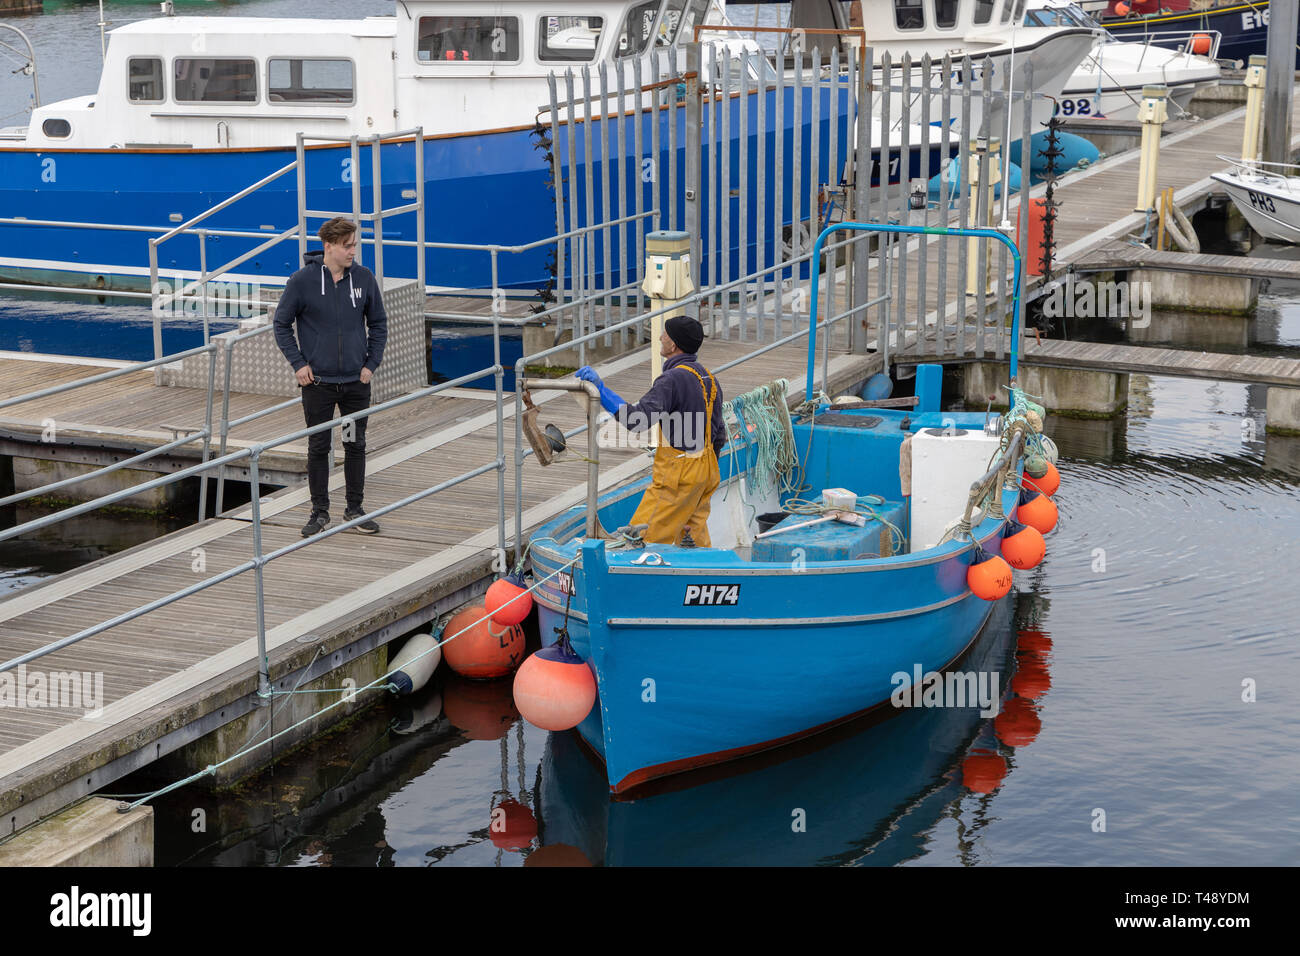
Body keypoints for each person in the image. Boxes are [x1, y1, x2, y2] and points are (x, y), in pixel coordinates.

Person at [273, 217, 387, 537]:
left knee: (353, 444)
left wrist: (370, 364)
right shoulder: (302, 282)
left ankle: (354, 509)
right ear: (329, 246)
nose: (353, 251)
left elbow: (378, 324)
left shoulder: (363, 279)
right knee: (319, 446)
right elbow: (281, 324)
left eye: (355, 245)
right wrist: (298, 363)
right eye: (347, 246)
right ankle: (320, 512)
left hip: (354, 384)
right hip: (318, 385)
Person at [576, 316, 725, 547]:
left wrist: (601, 390)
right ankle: (701, 575)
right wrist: (703, 467)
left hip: (679, 474)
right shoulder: (708, 378)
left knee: (641, 537)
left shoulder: (672, 379)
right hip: (706, 471)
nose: (659, 338)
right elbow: (719, 434)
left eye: (664, 334)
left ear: (673, 345)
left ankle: (635, 577)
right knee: (692, 537)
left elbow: (637, 420)